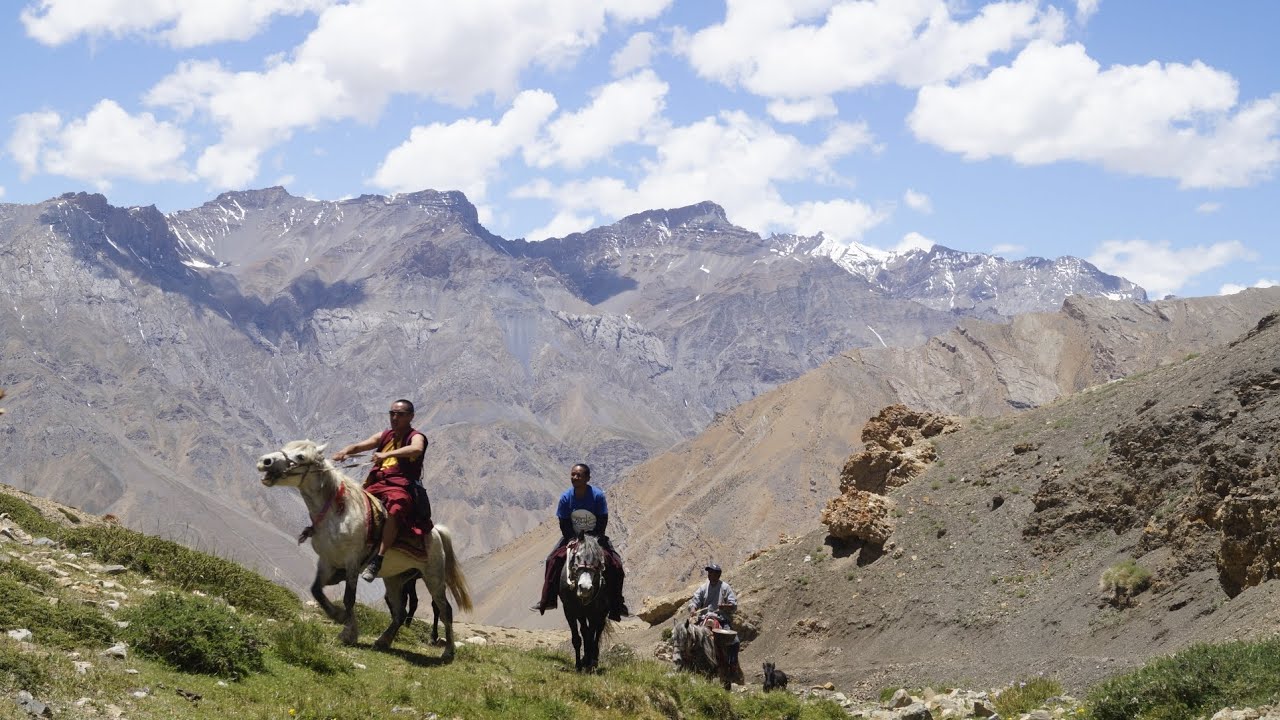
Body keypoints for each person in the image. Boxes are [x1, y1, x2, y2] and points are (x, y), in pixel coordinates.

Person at [332, 399, 430, 582]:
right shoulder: (385, 435)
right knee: (346, 499)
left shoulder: (416, 436)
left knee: (396, 507)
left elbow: (416, 449)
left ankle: (379, 558)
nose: (394, 418)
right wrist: (345, 451)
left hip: (401, 485)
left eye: (400, 414)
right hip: (376, 482)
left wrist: (386, 455)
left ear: (411, 416)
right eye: (392, 413)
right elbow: (360, 446)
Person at [532, 463, 629, 621]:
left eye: (579, 475)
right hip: (572, 536)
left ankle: (617, 603)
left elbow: (602, 520)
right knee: (552, 560)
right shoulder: (566, 498)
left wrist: (594, 540)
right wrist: (571, 538)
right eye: (573, 474)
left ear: (587, 478)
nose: (575, 478)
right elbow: (564, 522)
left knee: (616, 564)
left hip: (595, 537)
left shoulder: (597, 496)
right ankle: (549, 599)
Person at [688, 563, 740, 671]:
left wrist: (725, 606)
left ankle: (732, 665)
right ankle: (688, 664)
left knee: (735, 641)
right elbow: (695, 601)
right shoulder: (703, 588)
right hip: (704, 617)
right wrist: (693, 609)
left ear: (718, 574)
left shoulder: (725, 587)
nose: (710, 574)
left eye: (712, 572)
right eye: (709, 572)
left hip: (721, 618)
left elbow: (733, 605)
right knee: (688, 637)